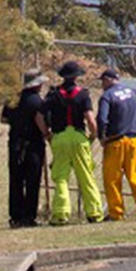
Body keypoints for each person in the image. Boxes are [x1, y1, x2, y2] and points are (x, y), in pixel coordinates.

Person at [36, 61, 104, 225]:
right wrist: (93, 136)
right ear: (76, 77)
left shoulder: (53, 94)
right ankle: (94, 213)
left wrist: (47, 134)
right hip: (79, 137)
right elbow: (90, 120)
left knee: (61, 178)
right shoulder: (83, 94)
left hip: (59, 138)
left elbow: (39, 116)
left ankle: (61, 214)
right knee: (86, 176)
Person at [96, 68, 136, 220]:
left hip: (115, 142)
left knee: (112, 179)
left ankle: (116, 214)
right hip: (134, 141)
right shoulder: (133, 92)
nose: (102, 84)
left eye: (103, 81)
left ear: (109, 80)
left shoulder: (107, 96)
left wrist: (102, 137)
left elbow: (102, 119)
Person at [1, 69, 47, 228]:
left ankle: (15, 216)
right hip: (33, 144)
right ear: (36, 84)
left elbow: (3, 119)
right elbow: (40, 121)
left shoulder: (12, 99)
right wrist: (47, 134)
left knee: (16, 180)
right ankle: (29, 217)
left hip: (15, 144)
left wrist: (18, 122)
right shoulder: (36, 101)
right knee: (32, 181)